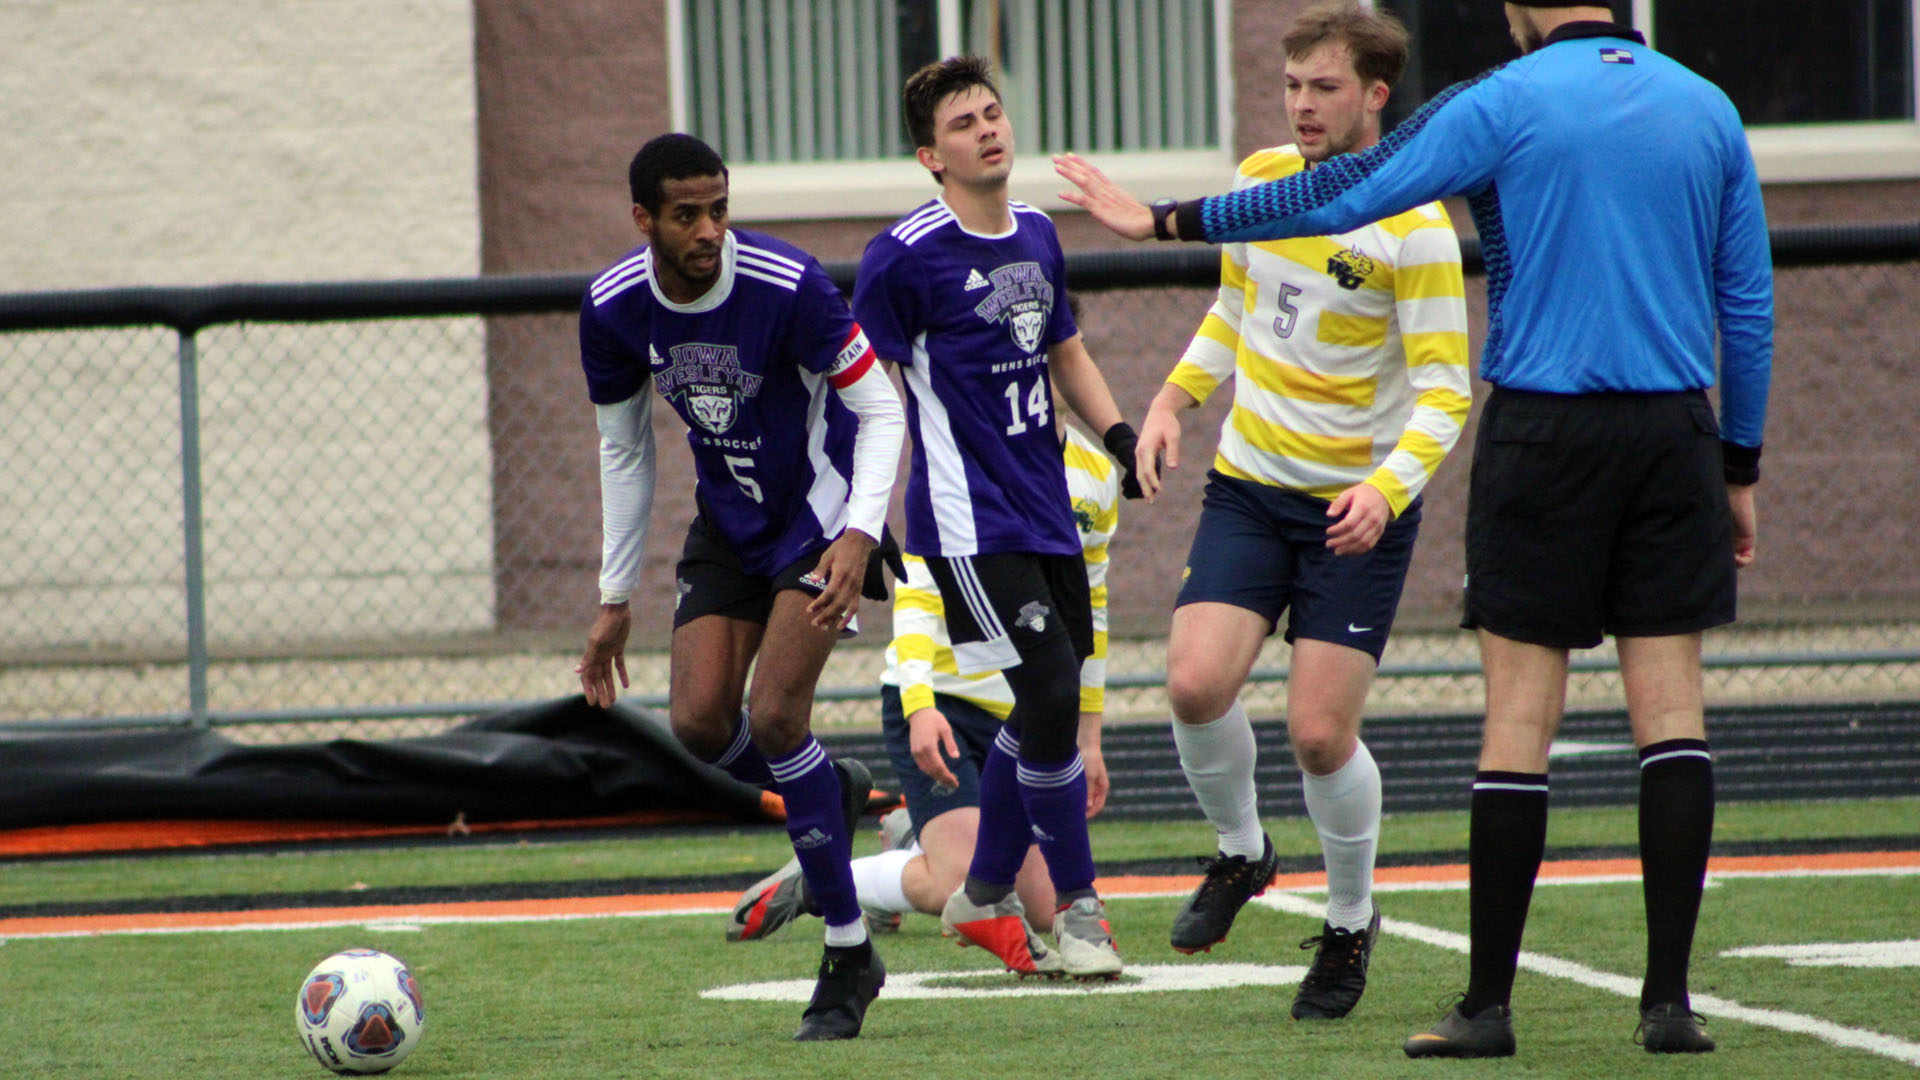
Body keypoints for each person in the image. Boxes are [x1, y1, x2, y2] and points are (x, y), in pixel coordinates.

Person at [1058, 0, 1772, 1059]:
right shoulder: (1707, 107)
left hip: (1542, 427)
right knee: (1672, 725)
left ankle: (1487, 1006)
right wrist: (1740, 463)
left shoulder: (1503, 97)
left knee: (1516, 726)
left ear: (1525, 9)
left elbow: (1362, 185)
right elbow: (1745, 300)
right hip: (1674, 431)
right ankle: (1668, 1004)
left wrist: (1162, 219)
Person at [1130, 1, 1470, 1024]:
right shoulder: (1261, 182)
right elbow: (1234, 312)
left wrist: (1384, 489)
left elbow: (1447, 392)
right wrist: (1172, 399)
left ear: (1376, 96)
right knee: (1191, 685)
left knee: (1320, 736)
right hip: (1248, 485)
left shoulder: (1414, 227)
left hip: (1354, 509)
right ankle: (1243, 852)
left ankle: (1351, 921)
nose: (1304, 106)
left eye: (1325, 87)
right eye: (1292, 86)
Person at [573, 133, 907, 1041]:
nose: (710, 229)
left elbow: (881, 408)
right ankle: (825, 790)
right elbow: (625, 448)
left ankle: (847, 953)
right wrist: (613, 600)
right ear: (643, 219)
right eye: (687, 214)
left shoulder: (786, 283)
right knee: (697, 725)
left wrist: (859, 532)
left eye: (719, 208)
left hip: (816, 517)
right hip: (728, 525)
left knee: (774, 719)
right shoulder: (610, 309)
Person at [850, 55, 1144, 980]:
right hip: (967, 523)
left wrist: (1123, 435)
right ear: (930, 156)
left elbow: (1066, 351)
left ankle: (983, 888)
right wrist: (858, 514)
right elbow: (859, 390)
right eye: (963, 123)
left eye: (992, 112)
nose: (987, 129)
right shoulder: (903, 256)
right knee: (1052, 696)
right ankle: (1084, 915)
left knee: (1045, 706)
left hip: (1046, 509)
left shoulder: (1039, 237)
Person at [728, 415, 1120, 952]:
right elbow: (915, 594)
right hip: (943, 705)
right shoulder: (965, 456)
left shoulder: (1096, 472)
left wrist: (1088, 737)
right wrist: (919, 703)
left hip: (1026, 712)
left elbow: (1090, 610)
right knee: (963, 889)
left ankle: (912, 833)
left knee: (1043, 908)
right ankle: (824, 878)